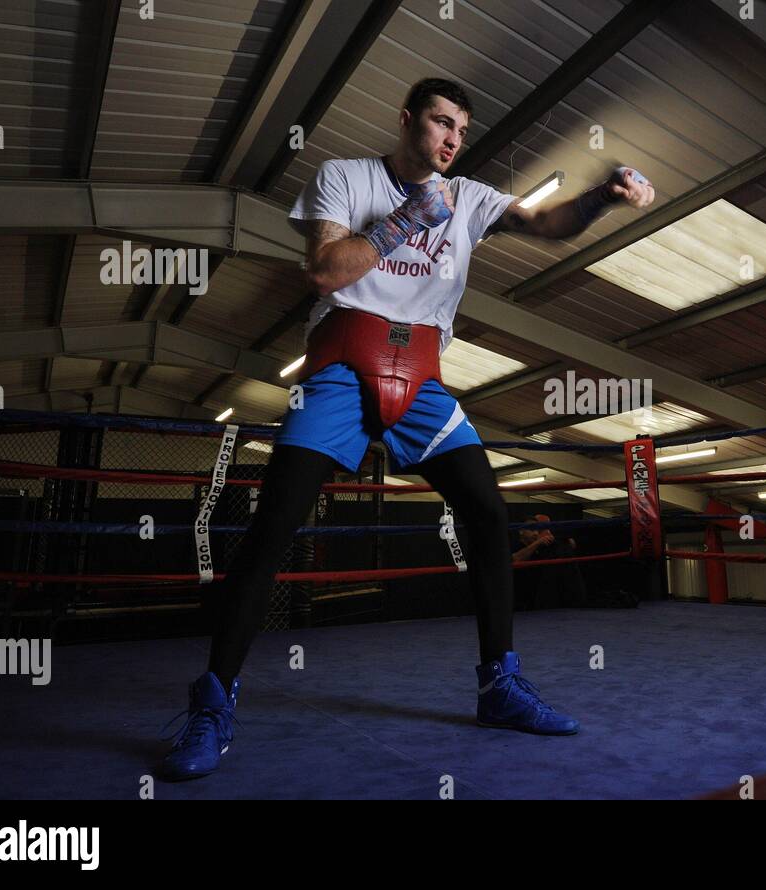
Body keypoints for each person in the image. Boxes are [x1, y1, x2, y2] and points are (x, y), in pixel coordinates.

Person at [159, 77, 655, 780]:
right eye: (440, 122)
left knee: (486, 510)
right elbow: (326, 271)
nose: (452, 139)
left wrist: (604, 195)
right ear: (407, 121)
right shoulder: (346, 177)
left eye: (461, 130)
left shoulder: (473, 198)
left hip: (422, 379)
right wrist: (405, 221)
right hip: (336, 368)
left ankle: (499, 685)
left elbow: (546, 224)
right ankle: (212, 704)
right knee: (273, 527)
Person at [513, 514, 586, 609]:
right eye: (531, 529)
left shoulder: (543, 547)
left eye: (537, 530)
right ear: (521, 531)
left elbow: (569, 545)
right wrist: (537, 543)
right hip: (520, 598)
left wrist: (567, 541)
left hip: (539, 599)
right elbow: (516, 559)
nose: (535, 533)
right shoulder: (515, 546)